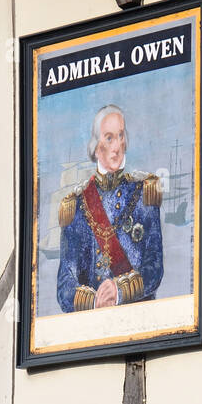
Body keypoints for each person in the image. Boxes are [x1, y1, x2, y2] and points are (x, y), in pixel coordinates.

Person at [56, 105, 163, 312]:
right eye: (109, 138)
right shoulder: (76, 206)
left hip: (139, 315)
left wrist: (120, 290)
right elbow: (64, 285)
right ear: (96, 147)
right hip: (92, 324)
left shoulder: (143, 193)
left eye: (120, 136)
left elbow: (155, 267)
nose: (117, 146)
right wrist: (95, 301)